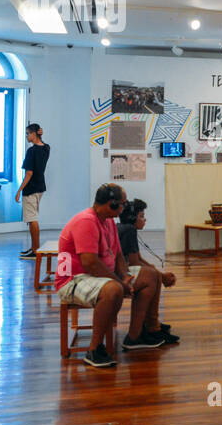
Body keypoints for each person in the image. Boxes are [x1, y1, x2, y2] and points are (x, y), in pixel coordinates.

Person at [55, 184, 168, 368]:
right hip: (74, 280)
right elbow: (90, 263)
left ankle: (135, 336)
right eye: (122, 204)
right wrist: (119, 282)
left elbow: (116, 254)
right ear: (111, 204)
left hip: (98, 276)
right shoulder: (86, 221)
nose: (124, 209)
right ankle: (94, 349)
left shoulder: (107, 221)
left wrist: (124, 276)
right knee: (113, 289)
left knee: (151, 276)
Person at [116, 199, 180, 345]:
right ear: (132, 218)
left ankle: (152, 324)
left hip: (122, 269)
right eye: (141, 216)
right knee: (153, 276)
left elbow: (138, 258)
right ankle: (151, 326)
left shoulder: (125, 227)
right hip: (120, 274)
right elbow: (135, 262)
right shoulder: (129, 230)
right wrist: (160, 276)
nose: (144, 219)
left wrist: (158, 273)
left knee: (154, 273)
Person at [15, 123, 50, 259]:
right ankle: (33, 248)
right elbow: (44, 144)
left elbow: (29, 173)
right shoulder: (46, 148)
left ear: (34, 134)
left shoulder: (31, 151)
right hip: (40, 187)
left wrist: (19, 190)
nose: (26, 136)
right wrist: (41, 135)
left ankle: (35, 251)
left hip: (31, 189)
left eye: (28, 133)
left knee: (32, 219)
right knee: (32, 218)